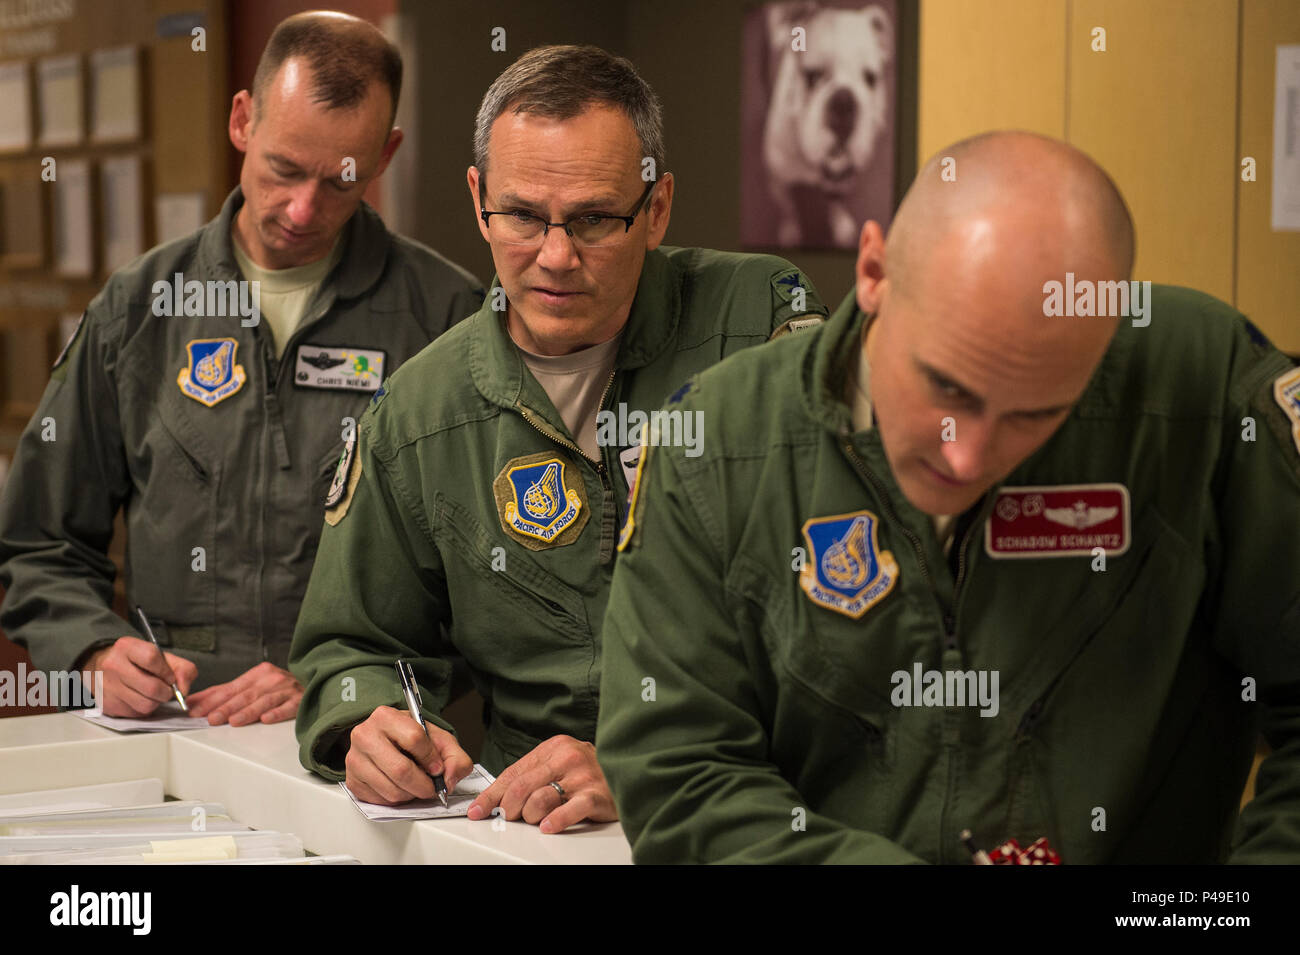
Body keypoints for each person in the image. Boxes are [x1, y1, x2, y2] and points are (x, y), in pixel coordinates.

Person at [596, 130, 1300, 863]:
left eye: (1036, 414)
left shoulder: (1201, 392)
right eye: (947, 387)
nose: (968, 454)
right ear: (873, 271)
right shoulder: (714, 439)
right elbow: (679, 772)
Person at [290, 44, 827, 834]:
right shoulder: (420, 411)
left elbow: (860, 614)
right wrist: (366, 722)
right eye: (522, 215)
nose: (555, 256)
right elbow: (351, 642)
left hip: (764, 814)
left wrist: (656, 757)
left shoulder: (758, 328)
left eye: (595, 219)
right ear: (478, 199)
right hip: (539, 833)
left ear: (659, 207)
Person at [0, 12, 482, 725]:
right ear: (241, 121)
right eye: (284, 169)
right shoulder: (140, 308)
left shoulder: (447, 319)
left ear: (385, 156)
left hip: (366, 750)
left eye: (339, 182)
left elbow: (497, 587)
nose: (302, 208)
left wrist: (341, 680)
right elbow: (39, 543)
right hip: (175, 730)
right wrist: (95, 649)